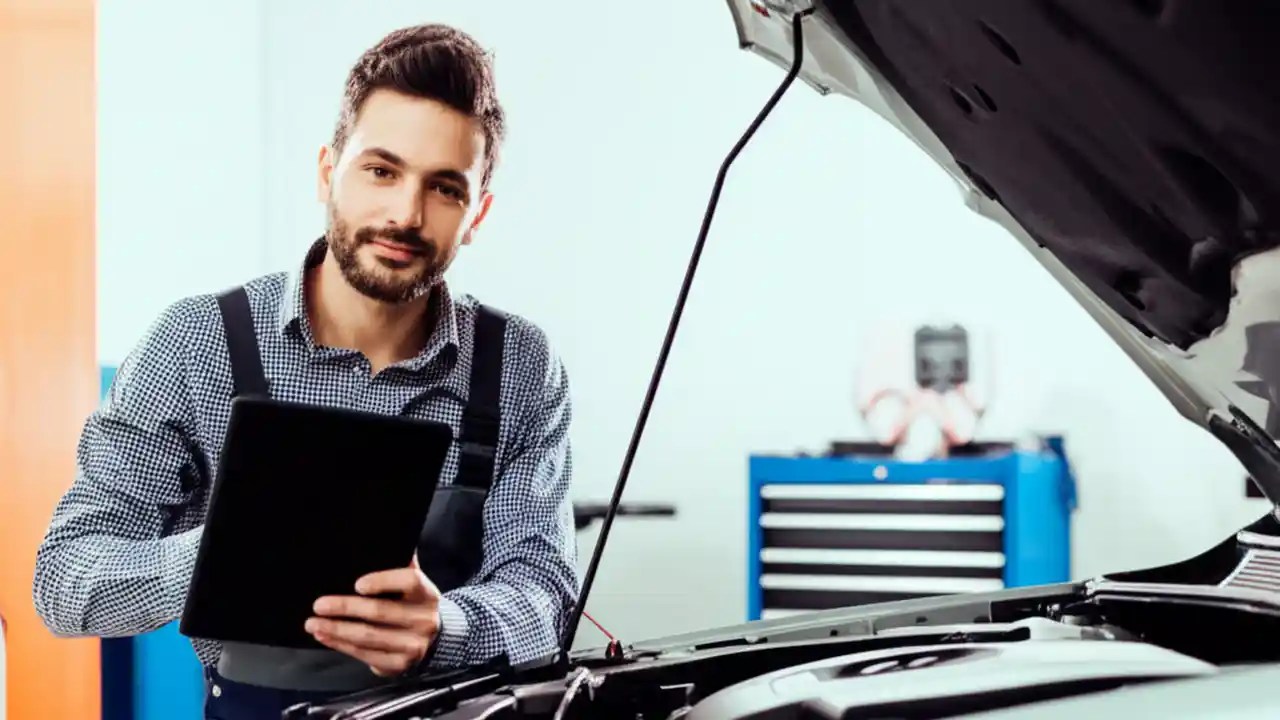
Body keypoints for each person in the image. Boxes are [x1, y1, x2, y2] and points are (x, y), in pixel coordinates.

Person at [31, 22, 580, 718]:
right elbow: (67, 581)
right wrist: (221, 551)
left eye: (445, 188)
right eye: (381, 171)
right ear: (327, 171)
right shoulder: (196, 343)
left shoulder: (520, 366)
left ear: (477, 214)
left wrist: (446, 628)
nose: (405, 214)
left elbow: (545, 591)